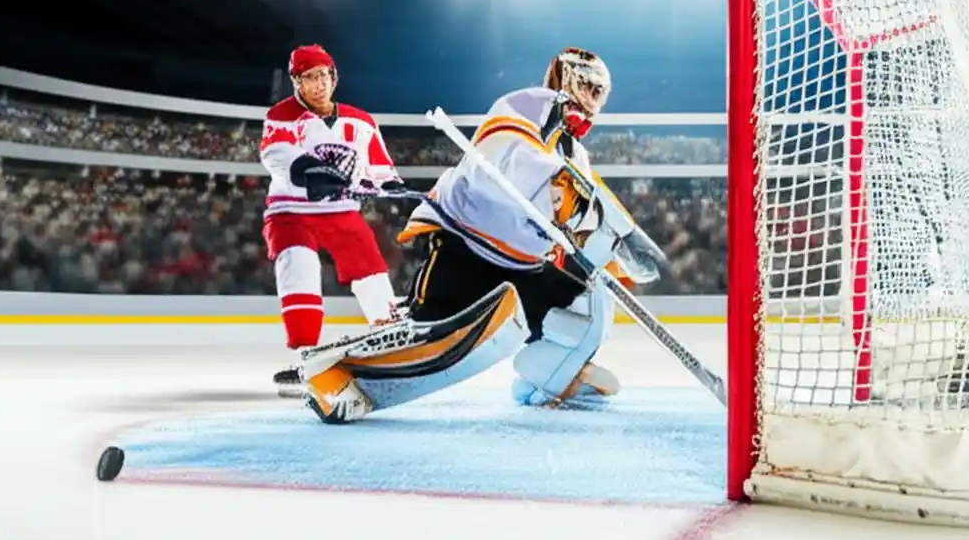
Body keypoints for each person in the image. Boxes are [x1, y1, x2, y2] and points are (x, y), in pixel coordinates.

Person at [301, 47, 664, 423]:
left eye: (599, 91)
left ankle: (552, 378)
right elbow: (508, 157)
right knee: (435, 339)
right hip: (466, 246)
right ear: (567, 79)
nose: (593, 99)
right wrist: (558, 184)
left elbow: (586, 216)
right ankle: (335, 373)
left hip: (523, 266)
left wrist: (613, 254)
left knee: (586, 302)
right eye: (588, 86)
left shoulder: (576, 153)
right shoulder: (530, 106)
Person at [258, 44, 403, 396]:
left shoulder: (362, 121)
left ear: (334, 77)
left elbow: (380, 170)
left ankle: (392, 337)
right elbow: (275, 153)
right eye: (310, 77)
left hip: (339, 210)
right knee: (300, 265)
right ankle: (305, 354)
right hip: (290, 210)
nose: (320, 84)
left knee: (368, 262)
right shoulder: (282, 114)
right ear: (296, 82)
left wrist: (395, 188)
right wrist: (307, 170)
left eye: (325, 75)